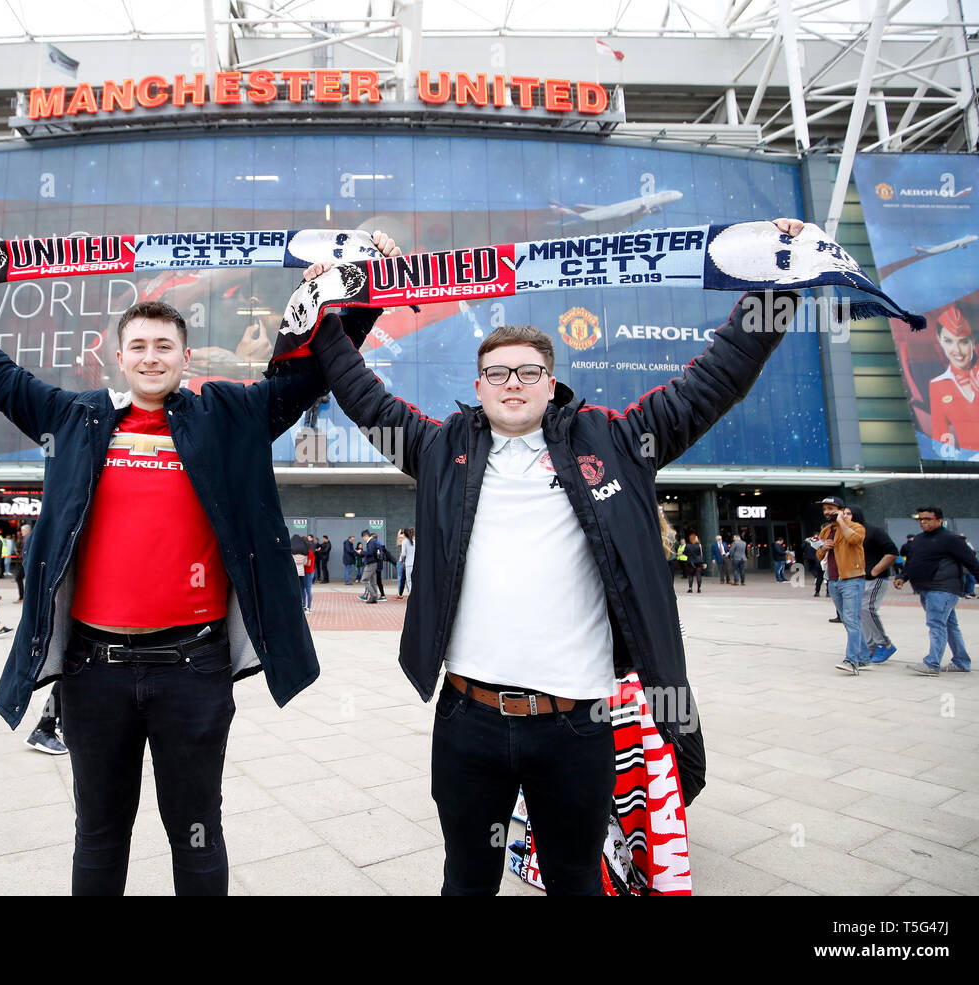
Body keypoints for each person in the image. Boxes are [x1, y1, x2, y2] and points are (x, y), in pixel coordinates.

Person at [297, 217, 805, 894]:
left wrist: (779, 284)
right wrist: (324, 313)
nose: (513, 382)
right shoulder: (440, 450)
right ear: (479, 384)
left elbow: (713, 381)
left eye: (528, 371)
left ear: (551, 382)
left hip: (577, 723)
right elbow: (363, 397)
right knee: (466, 880)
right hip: (467, 717)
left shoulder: (618, 441)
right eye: (497, 372)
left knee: (575, 879)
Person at [0, 236, 387, 898]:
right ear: (120, 359)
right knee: (98, 835)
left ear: (185, 357)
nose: (152, 357)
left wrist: (363, 294)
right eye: (139, 346)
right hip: (94, 674)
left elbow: (307, 380)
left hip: (194, 671)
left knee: (197, 832)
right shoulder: (74, 417)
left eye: (164, 346)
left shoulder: (226, 416)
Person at [894, 505, 979, 674]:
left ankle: (932, 664)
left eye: (928, 519)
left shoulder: (951, 539)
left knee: (936, 624)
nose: (923, 522)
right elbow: (912, 562)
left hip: (943, 589)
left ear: (940, 520)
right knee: (949, 626)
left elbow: (972, 563)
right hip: (926, 589)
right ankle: (962, 662)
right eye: (920, 519)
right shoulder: (918, 540)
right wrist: (902, 577)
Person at [927, 305, 979, 455]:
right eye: (948, 341)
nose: (957, 351)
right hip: (969, 463)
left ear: (973, 341)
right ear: (939, 340)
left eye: (964, 341)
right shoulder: (937, 385)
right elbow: (940, 440)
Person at [816, 496, 868, 675]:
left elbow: (854, 540)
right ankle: (864, 656)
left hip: (852, 579)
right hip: (833, 580)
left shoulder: (856, 527)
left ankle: (851, 660)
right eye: (825, 509)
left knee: (851, 620)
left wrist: (842, 522)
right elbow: (819, 555)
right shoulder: (826, 531)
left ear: (841, 510)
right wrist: (824, 548)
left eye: (831, 508)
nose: (827, 512)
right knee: (847, 620)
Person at [849, 506, 898, 664]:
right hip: (858, 579)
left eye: (848, 513)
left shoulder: (873, 532)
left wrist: (875, 571)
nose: (845, 516)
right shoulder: (848, 534)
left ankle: (885, 644)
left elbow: (892, 552)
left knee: (866, 608)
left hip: (875, 579)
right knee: (860, 612)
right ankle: (870, 647)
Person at [292, 534, 315, 613]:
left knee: (308, 590)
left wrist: (299, 562)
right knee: (302, 590)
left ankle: (309, 607)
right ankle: (304, 605)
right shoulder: (305, 552)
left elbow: (308, 564)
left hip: (308, 573)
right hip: (304, 573)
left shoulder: (310, 552)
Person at [360, 529, 382, 604]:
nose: (363, 539)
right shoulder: (373, 541)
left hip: (370, 563)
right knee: (373, 581)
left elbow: (370, 553)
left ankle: (373, 595)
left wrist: (361, 552)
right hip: (374, 563)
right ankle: (374, 597)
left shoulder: (371, 542)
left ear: (365, 536)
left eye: (363, 537)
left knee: (364, 580)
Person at [13, 523, 30, 602]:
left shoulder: (26, 538)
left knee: (19, 578)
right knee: (23, 578)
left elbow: (25, 550)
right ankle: (23, 596)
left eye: (22, 530)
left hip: (25, 561)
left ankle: (22, 596)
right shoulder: (28, 538)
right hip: (26, 561)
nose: (21, 532)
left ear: (26, 530)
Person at [396, 528, 415, 598]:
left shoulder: (405, 542)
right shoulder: (414, 541)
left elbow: (403, 553)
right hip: (414, 563)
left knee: (409, 580)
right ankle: (414, 594)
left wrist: (401, 559)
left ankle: (411, 595)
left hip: (408, 563)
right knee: (414, 580)